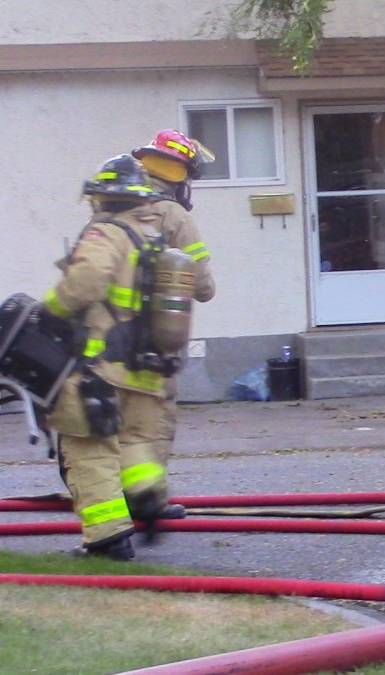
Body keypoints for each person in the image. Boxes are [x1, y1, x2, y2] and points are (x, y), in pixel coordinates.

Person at [44, 154, 191, 559]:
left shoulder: (106, 232)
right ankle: (147, 497)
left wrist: (51, 309)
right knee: (134, 443)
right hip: (146, 370)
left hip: (100, 368)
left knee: (88, 449)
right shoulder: (151, 237)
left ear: (104, 197)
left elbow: (86, 282)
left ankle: (107, 538)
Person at [130, 129, 216, 512]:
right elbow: (203, 286)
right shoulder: (172, 214)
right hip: (155, 341)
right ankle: (148, 502)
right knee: (153, 422)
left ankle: (111, 499)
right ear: (181, 174)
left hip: (106, 339)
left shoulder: (114, 208)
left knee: (117, 423)